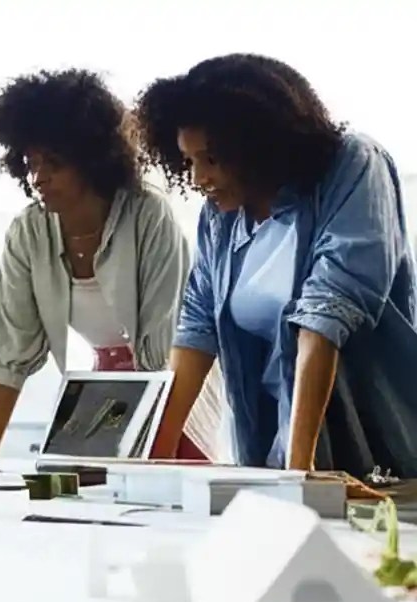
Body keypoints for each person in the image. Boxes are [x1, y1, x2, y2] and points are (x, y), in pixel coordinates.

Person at [137, 53, 417, 477]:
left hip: (381, 453)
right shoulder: (221, 215)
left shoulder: (353, 166)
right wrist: (146, 464)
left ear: (255, 143)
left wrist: (299, 472)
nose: (197, 179)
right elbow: (196, 331)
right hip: (275, 456)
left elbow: (326, 313)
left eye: (211, 159)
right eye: (189, 161)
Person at [0, 69, 225, 469]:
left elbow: (163, 349)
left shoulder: (148, 215)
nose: (38, 177)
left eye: (53, 163)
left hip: (175, 383)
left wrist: (148, 459)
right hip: (108, 383)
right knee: (82, 493)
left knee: (165, 493)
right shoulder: (28, 231)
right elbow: (10, 352)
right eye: (30, 162)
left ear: (92, 160)